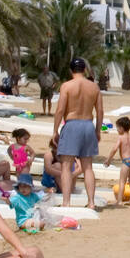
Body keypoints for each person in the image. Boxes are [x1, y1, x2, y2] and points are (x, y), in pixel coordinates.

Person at [52, 58, 103, 210]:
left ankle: (66, 202)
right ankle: (91, 202)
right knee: (88, 167)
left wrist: (55, 130)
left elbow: (60, 109)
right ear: (84, 70)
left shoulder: (67, 86)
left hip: (72, 124)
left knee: (66, 166)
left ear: (70, 70)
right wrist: (98, 130)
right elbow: (100, 111)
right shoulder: (94, 87)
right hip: (88, 124)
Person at [103, 116, 130, 206]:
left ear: (121, 128)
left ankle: (119, 201)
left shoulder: (121, 138)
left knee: (122, 182)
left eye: (117, 128)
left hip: (126, 161)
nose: (117, 130)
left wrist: (108, 159)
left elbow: (114, 149)